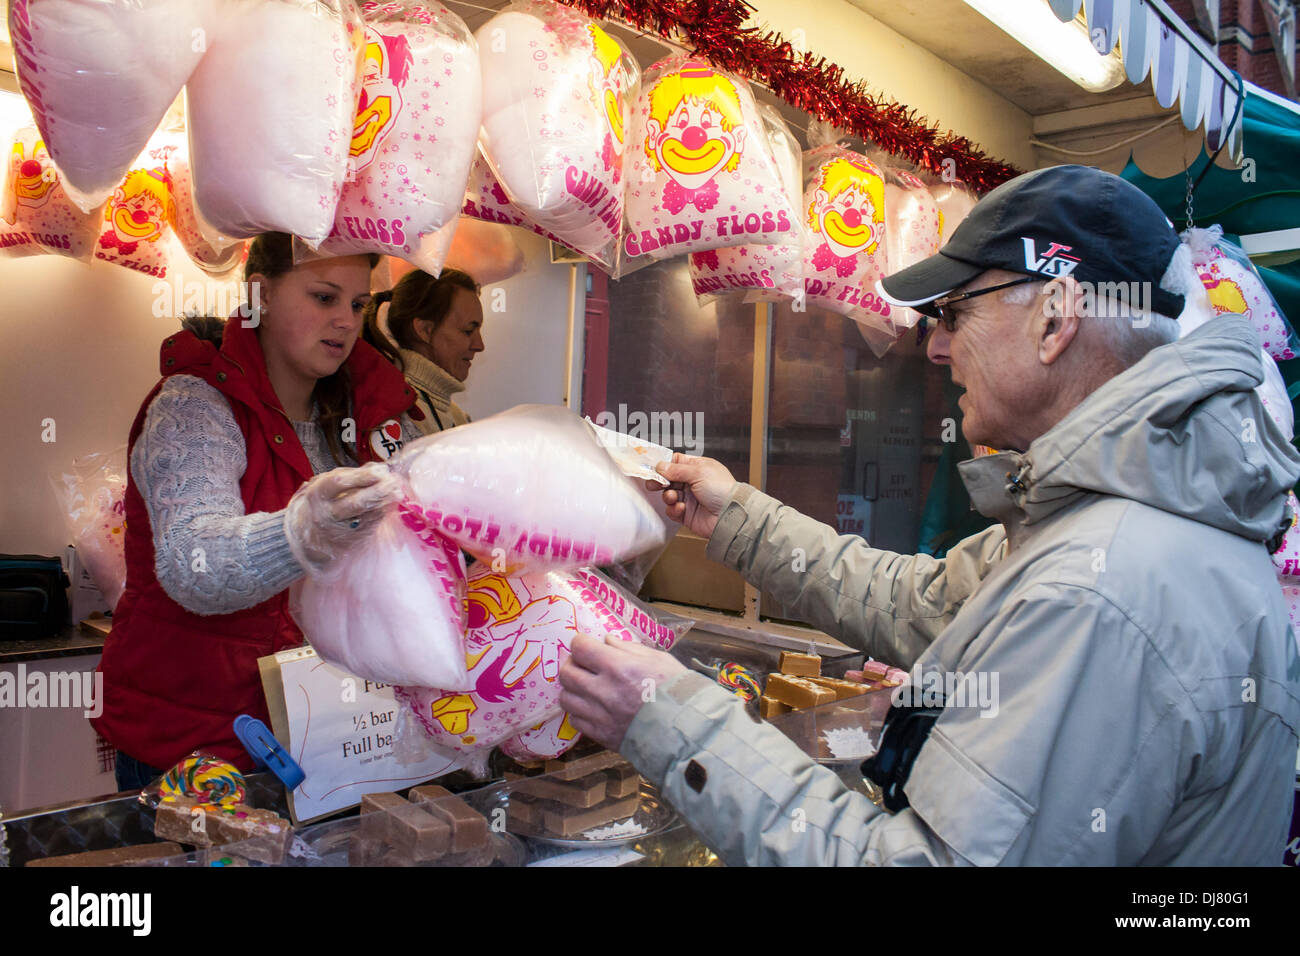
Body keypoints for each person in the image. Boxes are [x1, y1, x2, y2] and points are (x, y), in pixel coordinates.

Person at [557, 165, 1300, 865]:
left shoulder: (1099, 593)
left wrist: (670, 718)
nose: (936, 347)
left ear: (1055, 320)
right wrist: (736, 518)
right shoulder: (1102, 521)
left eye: (952, 313)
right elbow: (920, 603)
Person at [94, 233, 423, 789]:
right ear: (260, 295)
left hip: (326, 739)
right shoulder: (194, 405)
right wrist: (302, 532)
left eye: (358, 305)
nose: (346, 320)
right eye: (324, 297)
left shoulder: (372, 415)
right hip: (196, 741)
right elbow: (192, 562)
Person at [362, 267, 484, 435]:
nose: (479, 345)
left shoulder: (455, 415)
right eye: (468, 331)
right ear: (425, 330)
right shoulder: (395, 412)